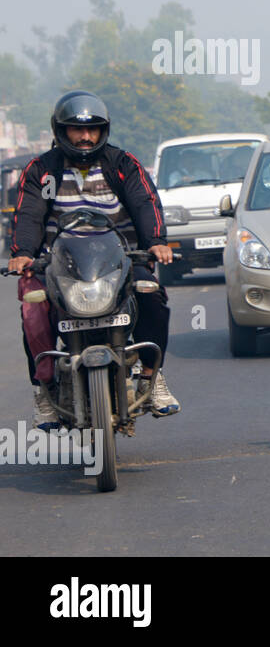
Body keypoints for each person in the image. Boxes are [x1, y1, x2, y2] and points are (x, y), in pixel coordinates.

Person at [9, 91, 179, 428]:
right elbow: (30, 214)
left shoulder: (122, 165)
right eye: (76, 130)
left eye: (93, 130)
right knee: (32, 306)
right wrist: (24, 254)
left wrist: (156, 243)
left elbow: (145, 204)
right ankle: (44, 389)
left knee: (151, 295)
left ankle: (151, 376)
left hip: (121, 262)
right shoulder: (44, 171)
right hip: (58, 265)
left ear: (104, 131)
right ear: (61, 131)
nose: (85, 137)